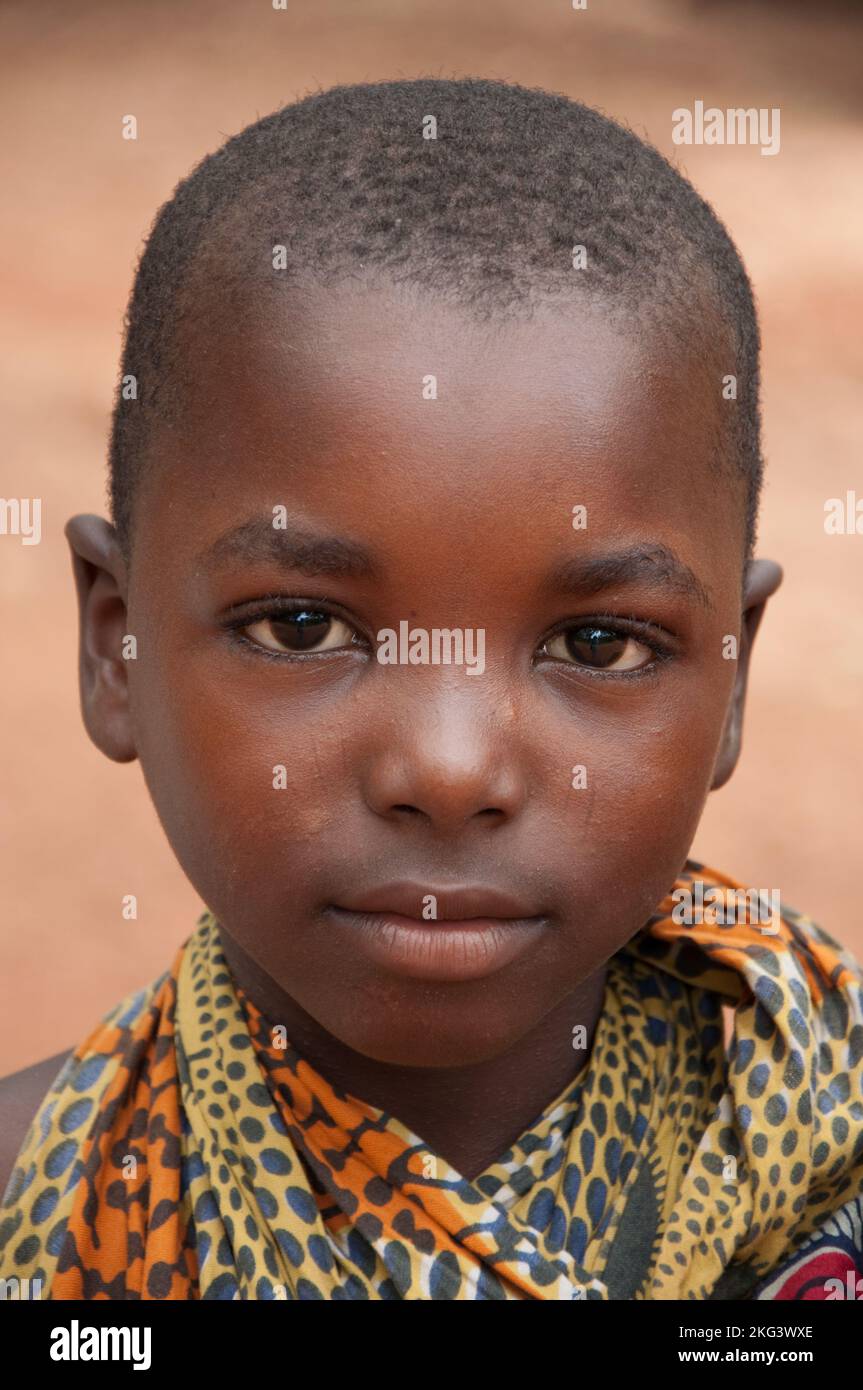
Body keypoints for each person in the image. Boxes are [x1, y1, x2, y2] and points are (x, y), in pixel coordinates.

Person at [2, 78, 861, 1301]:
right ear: (115, 645)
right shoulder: (43, 1224)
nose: (452, 768)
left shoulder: (820, 1173)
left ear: (730, 679)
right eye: (302, 626)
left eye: (599, 645)